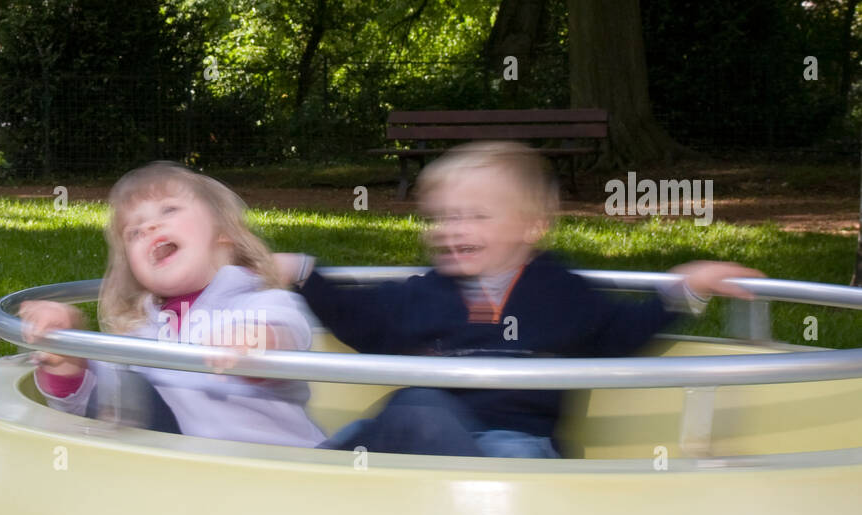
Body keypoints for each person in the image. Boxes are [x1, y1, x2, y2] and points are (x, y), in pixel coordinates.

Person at [274, 141, 763, 458]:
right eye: (441, 218)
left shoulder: (561, 292)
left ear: (532, 227)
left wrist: (687, 287)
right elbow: (362, 320)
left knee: (513, 458)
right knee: (409, 410)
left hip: (515, 440)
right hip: (420, 436)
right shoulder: (423, 292)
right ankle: (311, 482)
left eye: (474, 216)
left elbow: (619, 335)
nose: (451, 230)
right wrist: (304, 275)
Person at [19, 161, 326, 448]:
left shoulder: (262, 301)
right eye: (134, 232)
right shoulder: (139, 333)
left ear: (223, 233)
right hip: (182, 476)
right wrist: (66, 353)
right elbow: (91, 407)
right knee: (123, 391)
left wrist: (255, 340)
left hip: (277, 473)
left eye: (168, 210)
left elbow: (287, 334)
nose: (149, 228)